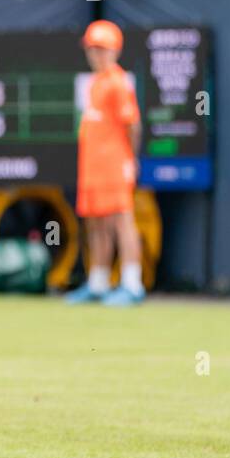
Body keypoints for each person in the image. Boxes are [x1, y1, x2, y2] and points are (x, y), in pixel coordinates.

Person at [66, 20, 145, 306]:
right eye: (92, 48)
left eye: (102, 49)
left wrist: (130, 160)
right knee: (96, 224)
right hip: (92, 168)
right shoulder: (96, 82)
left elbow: (133, 125)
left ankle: (132, 284)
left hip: (115, 164)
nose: (96, 54)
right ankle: (98, 283)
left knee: (123, 221)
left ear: (115, 50)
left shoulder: (118, 82)